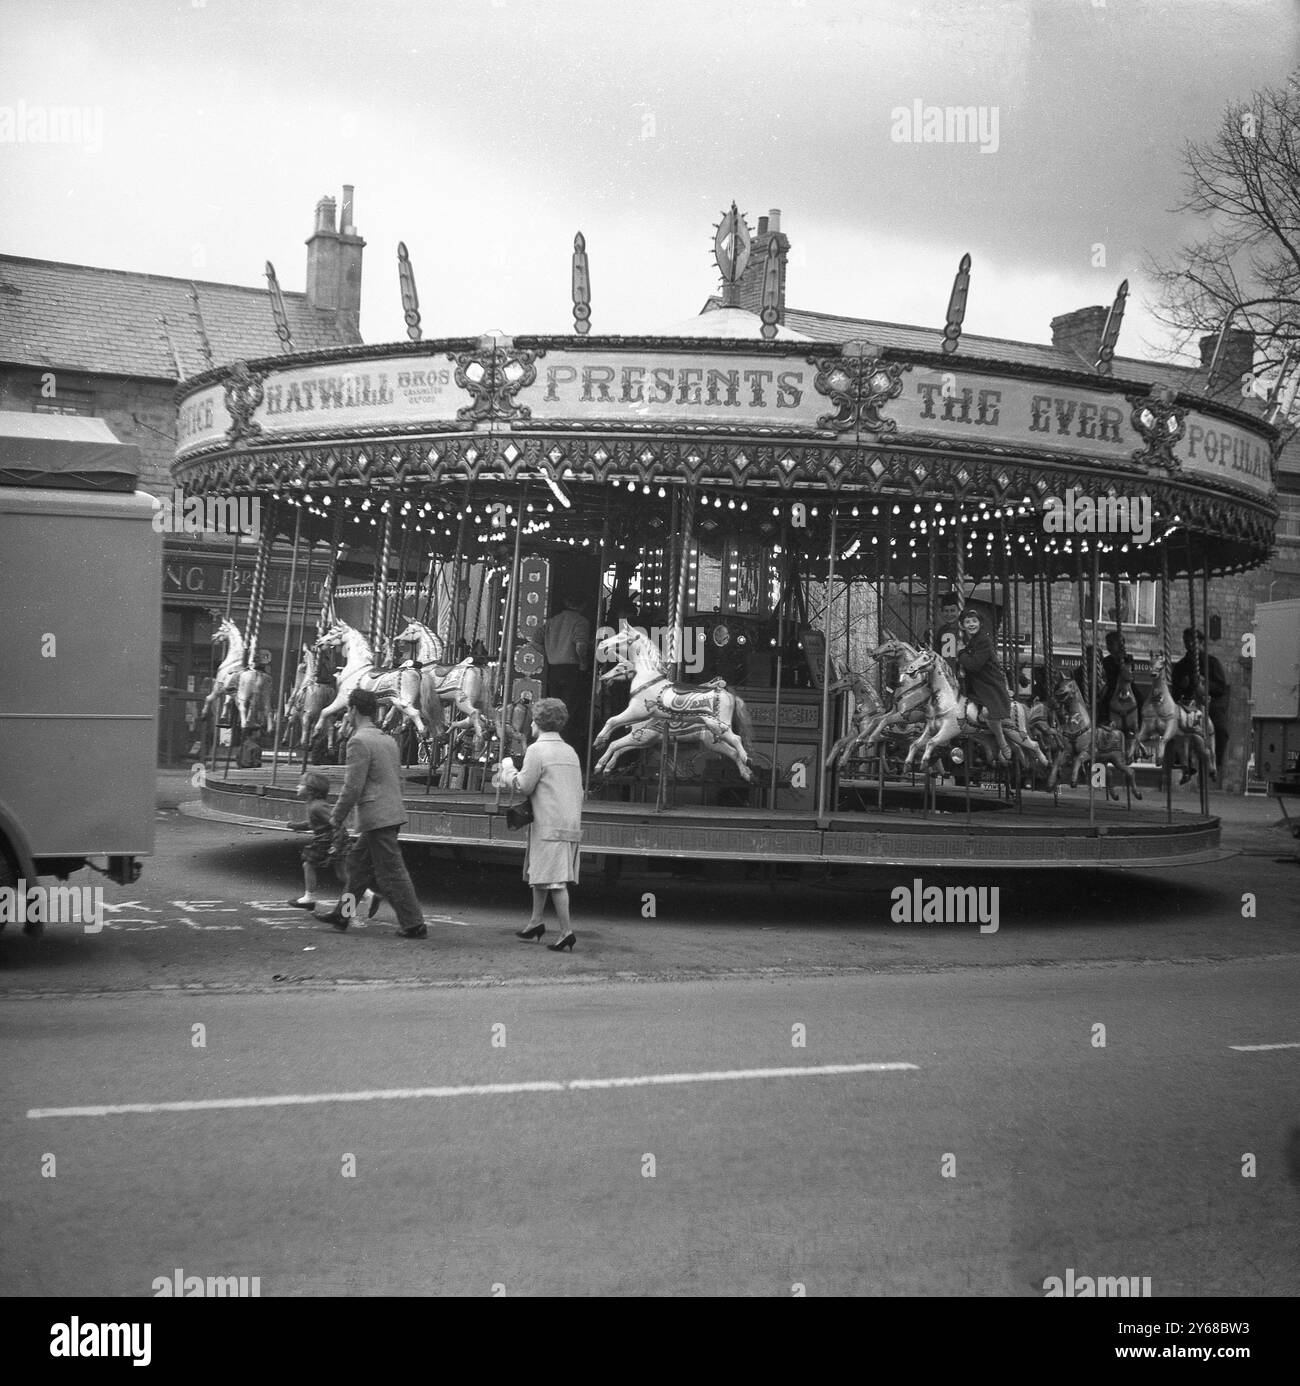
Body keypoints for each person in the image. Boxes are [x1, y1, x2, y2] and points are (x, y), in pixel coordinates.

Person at [317, 688, 429, 938]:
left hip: (376, 816)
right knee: (358, 865)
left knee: (392, 872)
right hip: (389, 812)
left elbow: (352, 786)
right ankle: (342, 914)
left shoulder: (358, 741)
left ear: (353, 710)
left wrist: (336, 817)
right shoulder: (387, 740)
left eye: (347, 710)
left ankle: (414, 924)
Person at [495, 697, 583, 952]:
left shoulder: (536, 750)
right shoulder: (569, 751)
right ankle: (535, 922)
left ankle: (566, 932)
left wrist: (508, 769)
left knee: (555, 880)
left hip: (548, 824)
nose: (530, 723)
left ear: (538, 722)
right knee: (540, 873)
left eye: (533, 719)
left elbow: (524, 785)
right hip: (566, 821)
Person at [536, 594, 592, 748]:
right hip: (571, 670)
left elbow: (534, 641)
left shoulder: (552, 621)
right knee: (569, 711)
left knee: (555, 709)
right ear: (583, 605)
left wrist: (549, 653)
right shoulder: (580, 621)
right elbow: (581, 646)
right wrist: (583, 661)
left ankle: (551, 744)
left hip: (554, 670)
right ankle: (565, 745)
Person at [1172, 627, 1229, 774]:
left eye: (1192, 641)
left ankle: (1217, 760)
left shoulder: (1212, 663)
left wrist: (1204, 684)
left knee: (1221, 729)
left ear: (1201, 643)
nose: (1189, 644)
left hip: (1208, 703)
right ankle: (1182, 761)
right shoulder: (1180, 666)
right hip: (1188, 705)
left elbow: (1221, 687)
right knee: (1174, 727)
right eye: (1186, 641)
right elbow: (1175, 693)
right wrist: (1182, 686)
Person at [956, 607, 1012, 759]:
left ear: (980, 623)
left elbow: (975, 664)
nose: (971, 624)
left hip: (990, 685)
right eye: (967, 622)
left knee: (988, 712)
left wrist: (961, 653)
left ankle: (1001, 741)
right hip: (976, 686)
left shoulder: (983, 640)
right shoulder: (971, 641)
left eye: (974, 621)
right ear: (962, 625)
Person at [926, 591, 964, 675]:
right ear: (942, 612)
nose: (949, 614)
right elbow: (936, 651)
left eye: (952, 610)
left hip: (957, 672)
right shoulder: (943, 630)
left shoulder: (962, 630)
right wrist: (928, 634)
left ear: (959, 610)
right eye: (946, 611)